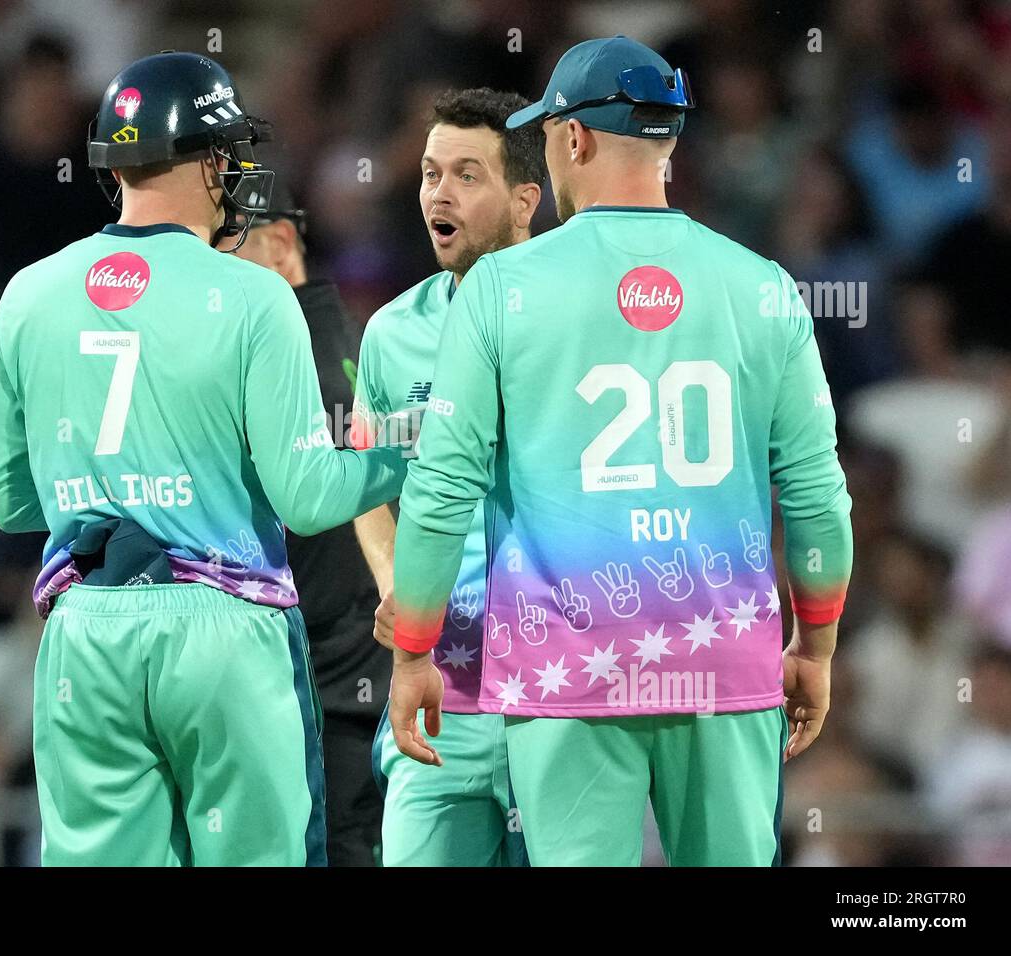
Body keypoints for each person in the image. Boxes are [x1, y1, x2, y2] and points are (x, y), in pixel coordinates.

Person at [388, 36, 854, 866]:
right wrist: (813, 644)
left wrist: (415, 650)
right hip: (724, 658)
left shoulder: (502, 288)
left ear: (572, 139)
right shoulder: (765, 287)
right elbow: (818, 494)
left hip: (566, 669)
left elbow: (439, 489)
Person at [0, 52, 409, 866]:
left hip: (83, 630)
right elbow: (311, 497)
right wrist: (407, 445)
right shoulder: (254, 296)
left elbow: (11, 501)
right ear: (215, 162)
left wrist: (118, 494)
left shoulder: (28, 293)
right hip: (223, 626)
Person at [351, 88, 544, 866]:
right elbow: (368, 485)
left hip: (562, 690)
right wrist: (399, 586)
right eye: (431, 173)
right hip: (439, 691)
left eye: (467, 174)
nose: (438, 191)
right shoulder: (392, 334)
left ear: (525, 198)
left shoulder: (579, 323)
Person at [229, 179, 391, 866]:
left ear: (283, 242)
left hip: (325, 710)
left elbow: (320, 565)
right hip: (359, 697)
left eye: (225, 246)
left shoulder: (306, 370)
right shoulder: (355, 346)